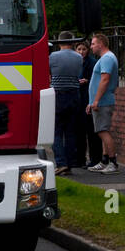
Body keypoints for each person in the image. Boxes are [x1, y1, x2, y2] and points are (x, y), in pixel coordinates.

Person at [48, 32, 85, 175]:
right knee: (70, 132)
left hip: (58, 94)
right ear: (72, 41)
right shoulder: (78, 57)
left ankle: (61, 162)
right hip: (75, 94)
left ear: (59, 42)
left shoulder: (53, 57)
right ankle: (70, 163)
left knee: (56, 131)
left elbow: (49, 72)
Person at [85, 33, 120, 174]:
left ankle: (113, 163)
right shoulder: (106, 58)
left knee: (102, 131)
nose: (91, 47)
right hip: (100, 101)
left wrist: (96, 101)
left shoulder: (107, 59)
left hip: (103, 102)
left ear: (101, 44)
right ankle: (105, 161)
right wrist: (91, 101)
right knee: (102, 130)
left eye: (93, 44)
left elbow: (105, 80)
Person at [77, 41, 101, 167]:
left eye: (84, 49)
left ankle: (94, 159)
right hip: (78, 99)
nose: (81, 52)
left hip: (88, 98)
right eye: (79, 49)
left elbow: (97, 80)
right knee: (79, 131)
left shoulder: (92, 63)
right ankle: (80, 159)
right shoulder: (75, 62)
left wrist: (87, 81)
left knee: (91, 131)